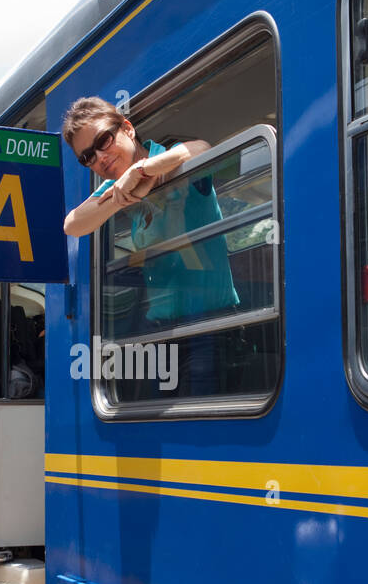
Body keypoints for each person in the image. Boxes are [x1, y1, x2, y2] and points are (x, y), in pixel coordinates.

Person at [62, 97, 239, 394]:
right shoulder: (114, 188)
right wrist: (117, 195)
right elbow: (73, 224)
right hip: (159, 335)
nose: (100, 159)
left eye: (103, 141)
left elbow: (202, 149)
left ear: (127, 129)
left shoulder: (172, 162)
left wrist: (143, 171)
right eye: (87, 157)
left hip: (210, 327)